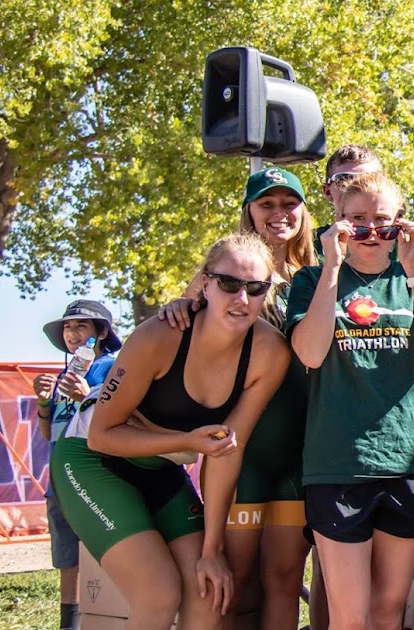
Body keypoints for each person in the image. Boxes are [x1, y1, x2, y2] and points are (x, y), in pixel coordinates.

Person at [51, 234, 290, 629]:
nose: (242, 299)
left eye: (256, 288)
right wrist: (185, 442)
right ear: (206, 283)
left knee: (209, 593)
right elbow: (102, 436)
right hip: (92, 462)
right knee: (158, 594)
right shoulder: (159, 335)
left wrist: (212, 549)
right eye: (229, 284)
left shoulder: (270, 351)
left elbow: (227, 450)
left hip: (160, 471)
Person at [288, 171, 414, 629]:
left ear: (401, 225)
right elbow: (309, 351)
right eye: (356, 221)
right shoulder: (311, 280)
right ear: (337, 223)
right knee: (349, 617)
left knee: (387, 611)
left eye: (381, 222)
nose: (368, 232)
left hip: (408, 463)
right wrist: (330, 267)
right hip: (339, 464)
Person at [158, 166, 320, 630]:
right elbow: (184, 321)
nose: (279, 213)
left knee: (286, 579)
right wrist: (177, 305)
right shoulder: (224, 270)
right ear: (248, 210)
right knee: (233, 581)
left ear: (306, 211)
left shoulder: (318, 274)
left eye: (289, 203)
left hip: (300, 451)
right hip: (240, 450)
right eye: (266, 203)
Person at [34, 300, 121, 630]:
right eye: (68, 328)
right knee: (66, 553)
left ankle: (110, 616)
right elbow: (49, 432)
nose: (72, 333)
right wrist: (44, 401)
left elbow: (117, 421)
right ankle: (68, 622)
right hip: (58, 477)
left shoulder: (115, 368)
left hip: (95, 474)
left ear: (100, 333)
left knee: (103, 549)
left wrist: (89, 395)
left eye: (80, 327)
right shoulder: (62, 375)